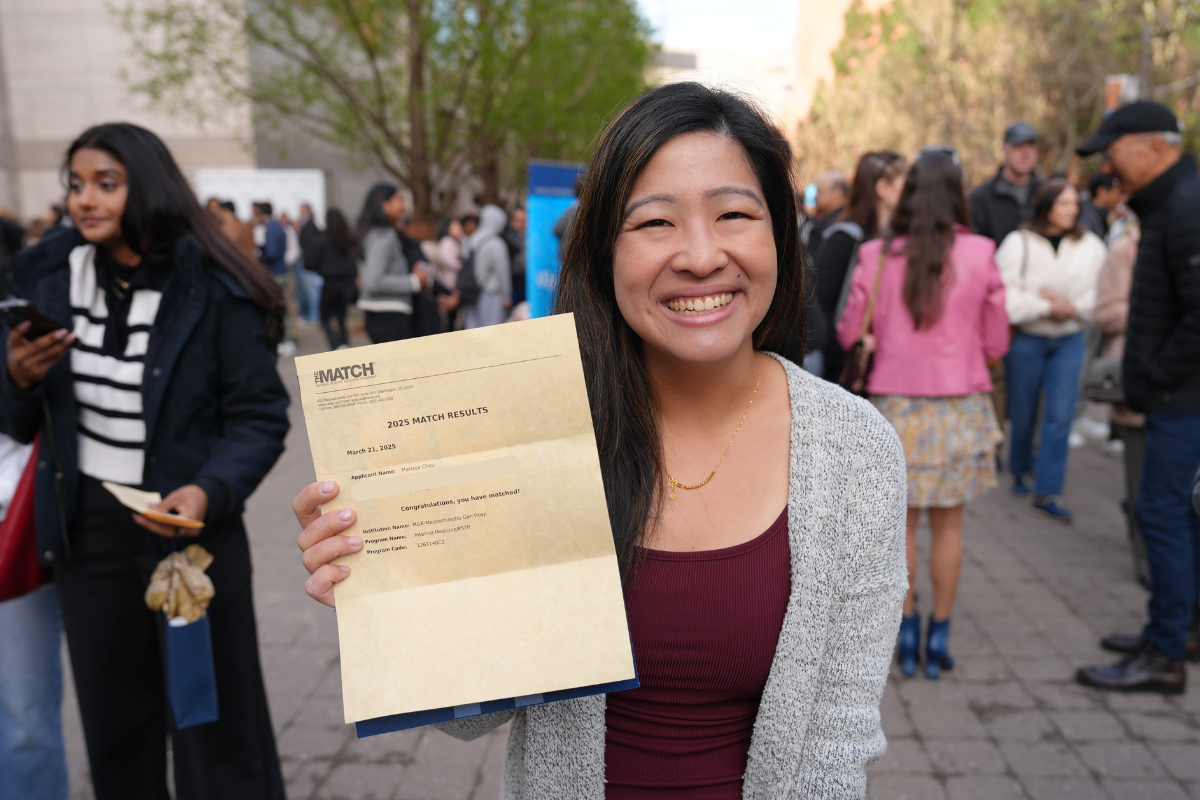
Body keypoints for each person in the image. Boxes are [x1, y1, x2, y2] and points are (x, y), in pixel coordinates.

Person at [294, 81, 907, 798]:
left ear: (780, 235)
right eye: (654, 224)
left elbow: (837, 737)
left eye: (735, 214)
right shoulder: (533, 427)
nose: (701, 256)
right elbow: (470, 718)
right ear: (604, 251)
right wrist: (387, 591)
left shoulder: (855, 450)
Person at [0, 123, 289, 798]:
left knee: (214, 731)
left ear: (147, 185)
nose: (84, 200)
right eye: (75, 185)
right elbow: (16, 423)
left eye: (106, 183)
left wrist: (210, 490)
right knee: (116, 730)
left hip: (189, 534)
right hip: (86, 538)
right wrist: (17, 376)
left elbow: (259, 415)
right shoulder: (43, 275)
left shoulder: (212, 283)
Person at [837, 148, 1008, 679]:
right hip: (960, 407)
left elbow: (848, 333)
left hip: (894, 407)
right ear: (958, 192)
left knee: (902, 530)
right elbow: (997, 341)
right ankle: (940, 635)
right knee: (950, 530)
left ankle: (904, 630)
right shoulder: (981, 253)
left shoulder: (876, 255)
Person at [1075, 101, 1200, 693]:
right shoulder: (1170, 203)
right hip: (1176, 393)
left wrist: (1153, 372)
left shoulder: (1186, 206)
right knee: (1182, 515)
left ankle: (1165, 652)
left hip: (1183, 398)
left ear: (1154, 145)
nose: (1108, 163)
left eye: (1113, 149)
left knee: (1161, 512)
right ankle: (1181, 627)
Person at [996, 178, 1107, 523]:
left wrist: (1069, 307)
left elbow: (1098, 292)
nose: (1072, 210)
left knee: (1059, 414)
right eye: (1063, 203)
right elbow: (1005, 296)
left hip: (1070, 338)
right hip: (1028, 337)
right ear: (1045, 207)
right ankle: (1019, 470)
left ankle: (1047, 489)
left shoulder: (1091, 245)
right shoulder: (1018, 243)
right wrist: (1042, 306)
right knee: (1024, 409)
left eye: (1075, 203)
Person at [0, 275, 68, 800]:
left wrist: (18, 378)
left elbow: (23, 419)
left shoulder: (23, 290)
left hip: (14, 529)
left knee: (25, 719)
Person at [812, 150, 907, 381]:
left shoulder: (901, 240)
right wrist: (844, 352)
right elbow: (819, 304)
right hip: (845, 371)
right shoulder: (844, 237)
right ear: (883, 188)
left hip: (886, 369)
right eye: (907, 183)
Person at [1092, 217, 1150, 586]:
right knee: (1141, 482)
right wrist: (1155, 311)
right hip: (1136, 378)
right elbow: (1103, 314)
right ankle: (1146, 560)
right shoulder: (1124, 250)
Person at [355, 183, 434, 343]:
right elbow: (374, 281)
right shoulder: (384, 235)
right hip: (390, 316)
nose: (404, 206)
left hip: (379, 316)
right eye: (399, 200)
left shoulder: (370, 233)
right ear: (384, 203)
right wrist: (414, 281)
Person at [970, 121, 1043, 247]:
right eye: (1018, 146)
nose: (1025, 153)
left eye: (1030, 146)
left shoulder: (1046, 193)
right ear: (1004, 149)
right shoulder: (981, 198)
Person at [306, 208, 357, 350]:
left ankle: (336, 345)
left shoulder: (322, 240)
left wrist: (320, 269)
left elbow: (309, 262)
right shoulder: (348, 239)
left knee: (325, 317)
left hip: (329, 283)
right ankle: (344, 344)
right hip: (345, 284)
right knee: (341, 318)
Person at [462, 204, 511, 329]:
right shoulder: (496, 243)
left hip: (471, 292)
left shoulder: (471, 240)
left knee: (472, 330)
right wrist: (506, 295)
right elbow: (502, 272)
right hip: (492, 293)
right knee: (492, 331)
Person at [253, 201, 292, 352]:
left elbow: (272, 252)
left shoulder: (270, 229)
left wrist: (261, 255)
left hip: (275, 272)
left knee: (278, 307)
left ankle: (285, 340)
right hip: (282, 271)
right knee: (284, 305)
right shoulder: (279, 227)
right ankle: (286, 339)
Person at [808, 169, 849, 248]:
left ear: (837, 193)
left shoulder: (841, 227)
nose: (815, 197)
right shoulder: (828, 219)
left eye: (820, 191)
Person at [504, 206, 527, 305]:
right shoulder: (507, 237)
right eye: (517, 220)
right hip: (513, 284)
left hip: (527, 283)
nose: (521, 224)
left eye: (524, 221)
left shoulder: (530, 236)